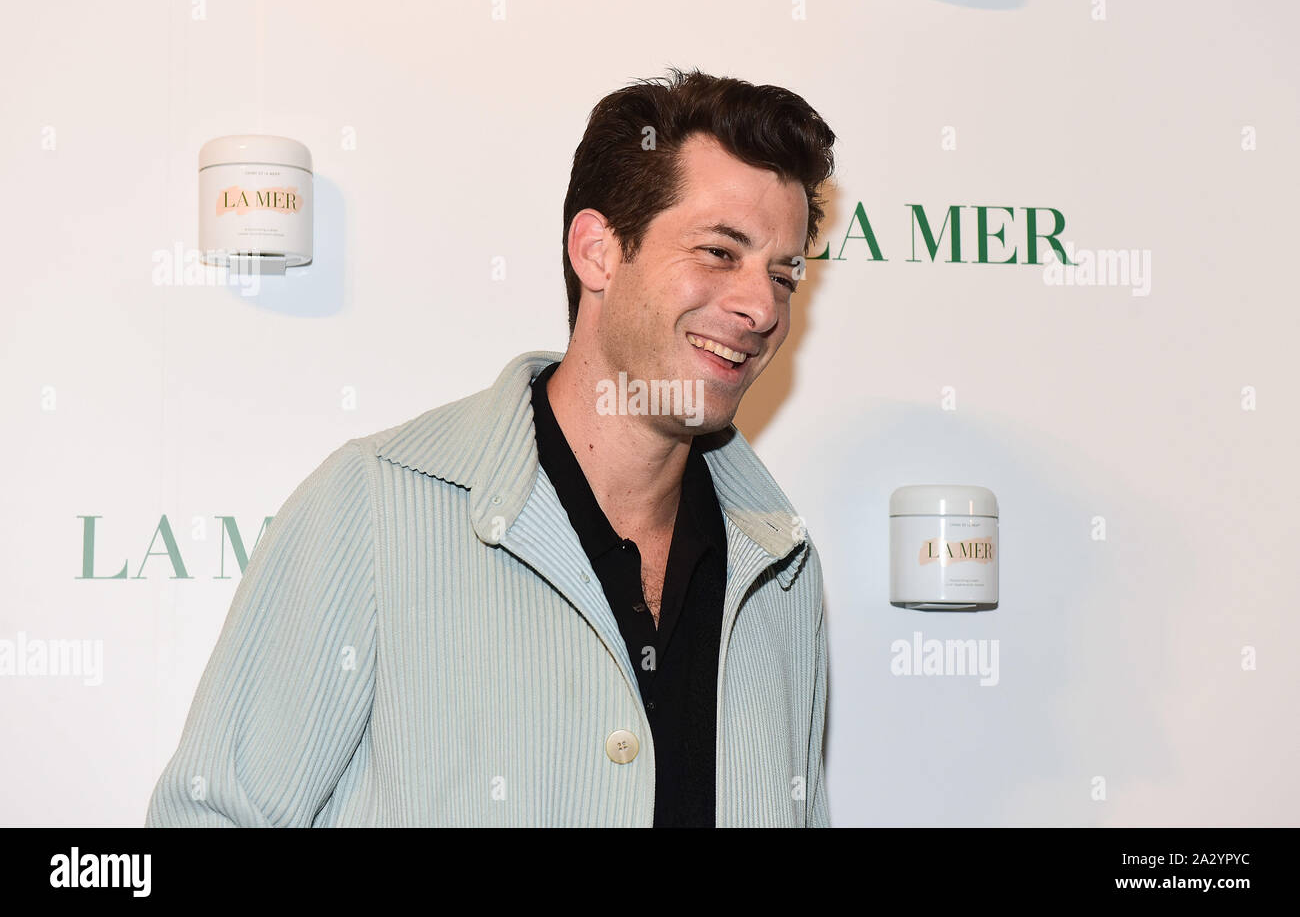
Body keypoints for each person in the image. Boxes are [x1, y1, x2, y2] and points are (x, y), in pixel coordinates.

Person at [146, 66, 836, 827]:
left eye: (784, 274)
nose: (760, 306)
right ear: (597, 250)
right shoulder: (377, 506)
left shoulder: (780, 569)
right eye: (717, 252)